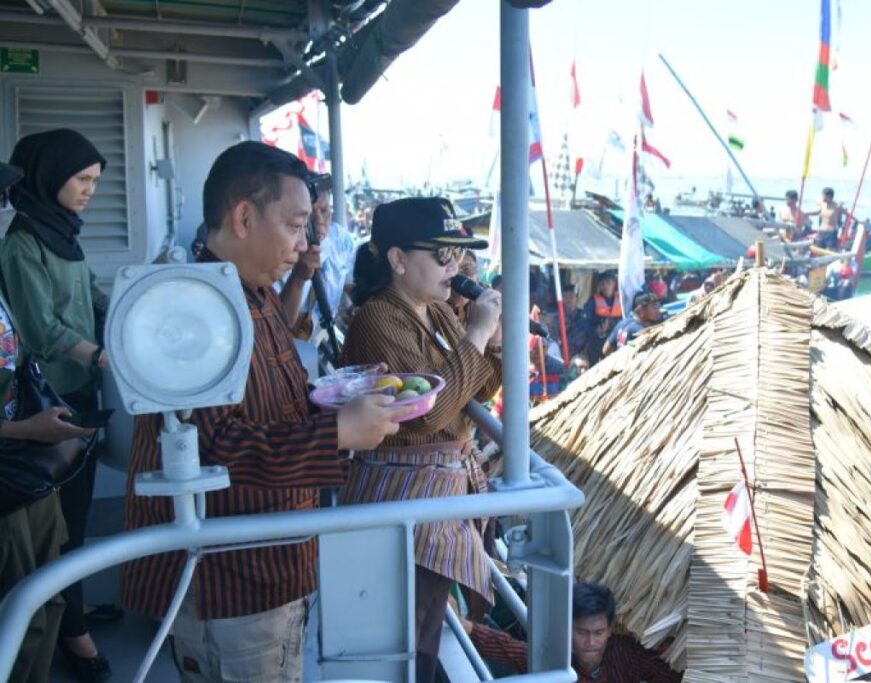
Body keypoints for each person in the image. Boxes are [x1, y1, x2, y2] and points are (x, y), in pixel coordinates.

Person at [120, 142, 410, 682]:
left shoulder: (248, 293)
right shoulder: (191, 311)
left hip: (270, 562)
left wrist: (335, 406)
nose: (304, 245)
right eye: (297, 224)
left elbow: (270, 403)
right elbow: (207, 452)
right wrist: (338, 434)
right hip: (233, 585)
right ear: (245, 217)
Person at [340, 196, 503, 682]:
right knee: (408, 633)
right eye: (441, 254)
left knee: (428, 622)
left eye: (457, 255)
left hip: (438, 497)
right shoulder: (379, 318)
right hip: (406, 499)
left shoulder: (437, 312)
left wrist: (495, 340)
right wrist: (476, 334)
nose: (453, 266)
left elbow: (478, 388)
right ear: (397, 259)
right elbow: (427, 416)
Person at [0, 128, 112, 682]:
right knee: (58, 521)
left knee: (77, 516)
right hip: (50, 399)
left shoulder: (65, 232)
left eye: (96, 180)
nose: (90, 190)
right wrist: (101, 356)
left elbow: (94, 293)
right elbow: (41, 328)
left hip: (80, 388)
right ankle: (70, 632)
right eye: (83, 179)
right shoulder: (22, 243)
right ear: (51, 177)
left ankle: (71, 608)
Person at [464, 581, 681, 682]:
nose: (590, 641)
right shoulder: (553, 657)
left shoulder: (628, 653)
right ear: (567, 628)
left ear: (610, 630)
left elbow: (669, 675)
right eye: (582, 632)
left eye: (598, 633)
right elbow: (506, 648)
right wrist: (466, 628)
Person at [280, 181, 357, 341]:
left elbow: (349, 286)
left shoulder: (340, 240)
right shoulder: (281, 249)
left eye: (324, 211)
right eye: (308, 214)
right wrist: (298, 277)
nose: (318, 220)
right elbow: (278, 324)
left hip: (325, 339)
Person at [602, 292, 662, 356]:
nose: (658, 310)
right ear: (641, 310)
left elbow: (605, 350)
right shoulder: (640, 331)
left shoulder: (622, 324)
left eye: (658, 306)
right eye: (654, 307)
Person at [581, 272, 622, 365]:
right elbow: (585, 323)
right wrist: (597, 331)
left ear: (614, 284)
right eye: (602, 284)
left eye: (608, 283)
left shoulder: (622, 298)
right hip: (598, 341)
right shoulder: (593, 301)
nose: (605, 286)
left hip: (617, 339)